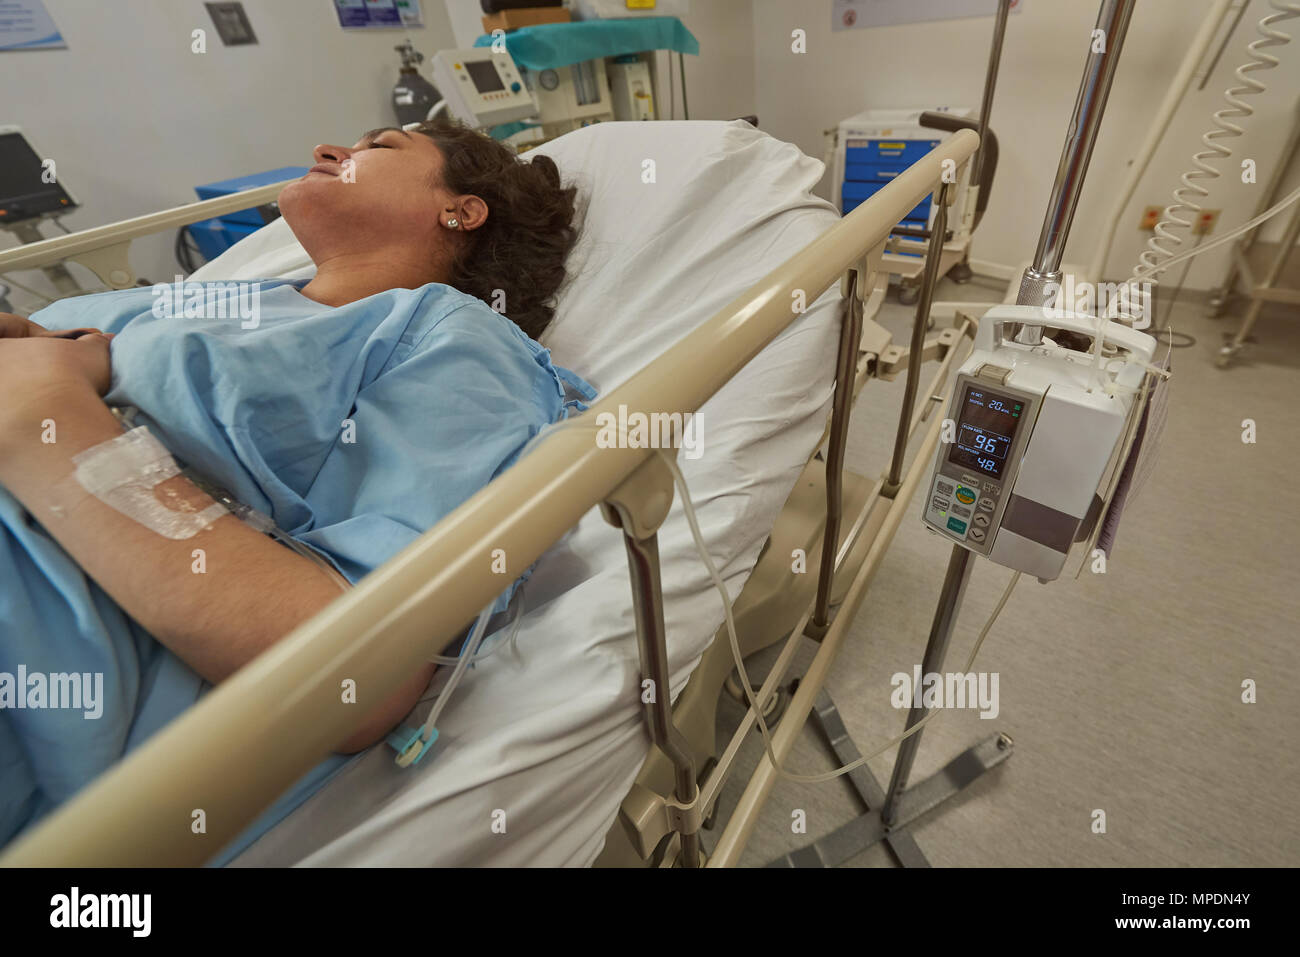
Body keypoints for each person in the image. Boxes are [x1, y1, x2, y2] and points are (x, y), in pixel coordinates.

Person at [0, 118, 595, 854]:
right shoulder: (213, 303)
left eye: (380, 147)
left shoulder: (460, 339)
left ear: (462, 209)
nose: (325, 150)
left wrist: (44, 420)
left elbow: (364, 672)